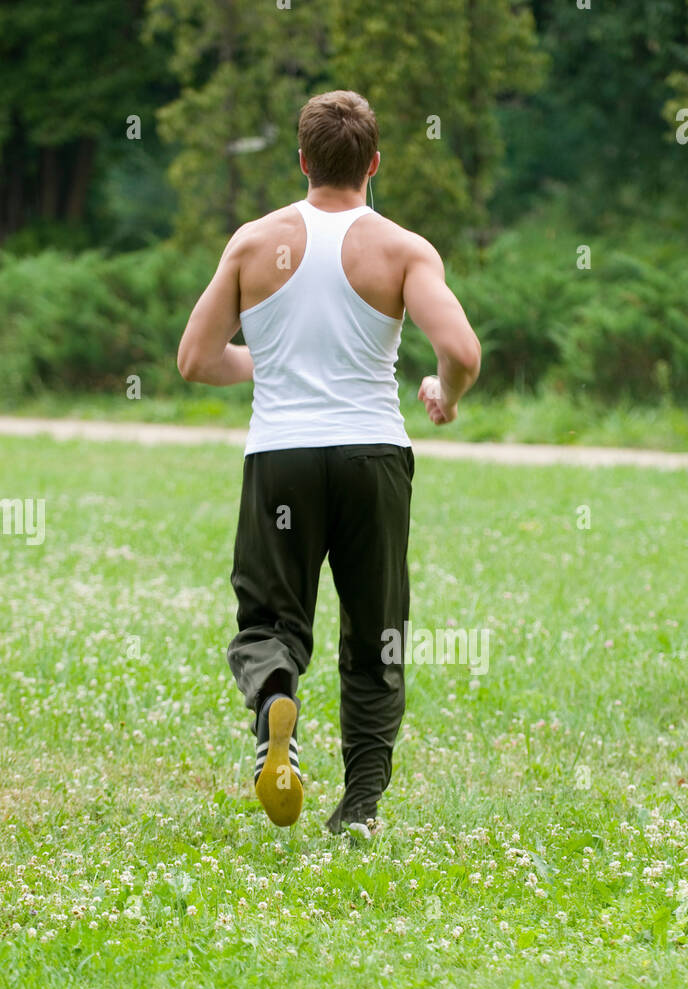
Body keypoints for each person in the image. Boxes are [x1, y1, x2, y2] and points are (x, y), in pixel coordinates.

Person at [177, 90, 481, 835]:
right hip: (372, 456)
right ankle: (360, 808)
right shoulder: (404, 250)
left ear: (304, 161)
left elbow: (195, 358)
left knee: (269, 621)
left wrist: (272, 363)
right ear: (373, 164)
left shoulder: (254, 242)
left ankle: (277, 692)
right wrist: (445, 391)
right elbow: (463, 352)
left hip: (281, 458)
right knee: (376, 635)